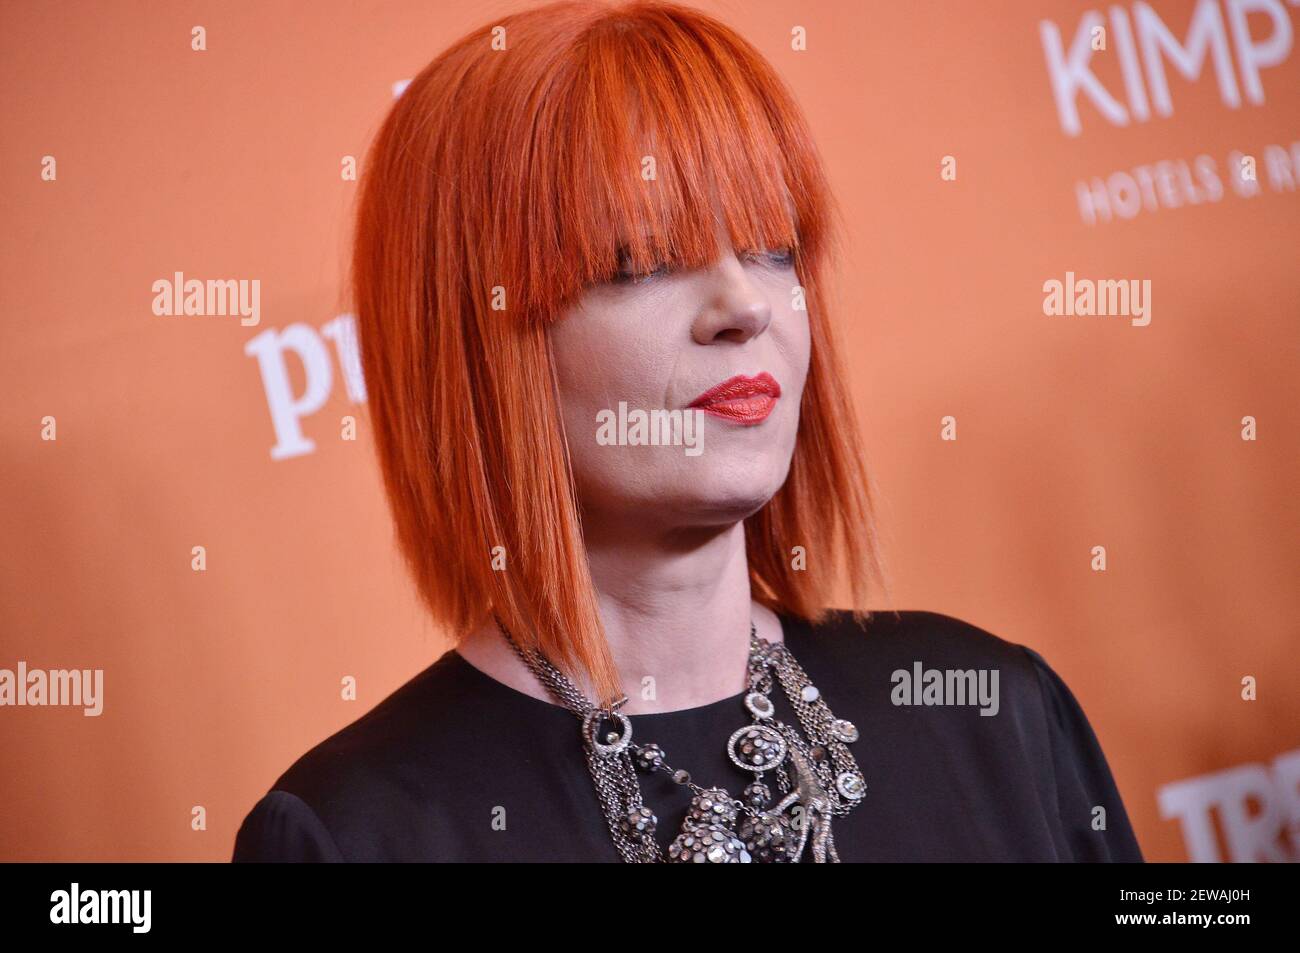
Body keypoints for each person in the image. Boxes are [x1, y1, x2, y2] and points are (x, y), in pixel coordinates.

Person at [233, 0, 1143, 863]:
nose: (745, 307)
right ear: (479, 336)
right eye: (641, 261)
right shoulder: (356, 833)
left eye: (773, 246)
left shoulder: (991, 708)